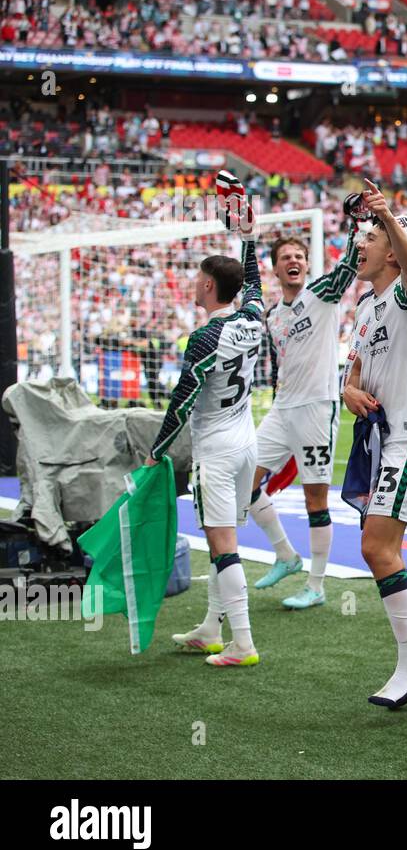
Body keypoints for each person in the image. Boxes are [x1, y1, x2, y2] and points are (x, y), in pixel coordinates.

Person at [342, 179, 407, 709]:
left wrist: (389, 215)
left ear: (394, 251)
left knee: (376, 547)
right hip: (385, 439)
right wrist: (349, 391)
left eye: (370, 238)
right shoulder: (366, 304)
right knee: (380, 548)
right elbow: (356, 369)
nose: (360, 244)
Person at [156, 172, 265, 668]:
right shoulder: (251, 321)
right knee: (227, 536)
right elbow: (255, 287)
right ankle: (210, 628)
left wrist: (157, 451)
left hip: (217, 451)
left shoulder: (202, 340)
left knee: (222, 546)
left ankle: (242, 643)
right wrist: (248, 239)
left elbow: (181, 402)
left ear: (206, 285)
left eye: (197, 279)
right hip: (247, 443)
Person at [248, 215, 360, 610]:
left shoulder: (323, 294)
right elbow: (280, 365)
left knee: (315, 499)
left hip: (316, 408)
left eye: (299, 256)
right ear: (275, 268)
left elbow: (348, 264)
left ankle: (316, 584)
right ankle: (286, 556)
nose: (293, 261)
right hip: (282, 410)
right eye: (285, 257)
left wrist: (355, 222)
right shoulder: (272, 316)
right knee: (244, 481)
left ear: (307, 265)